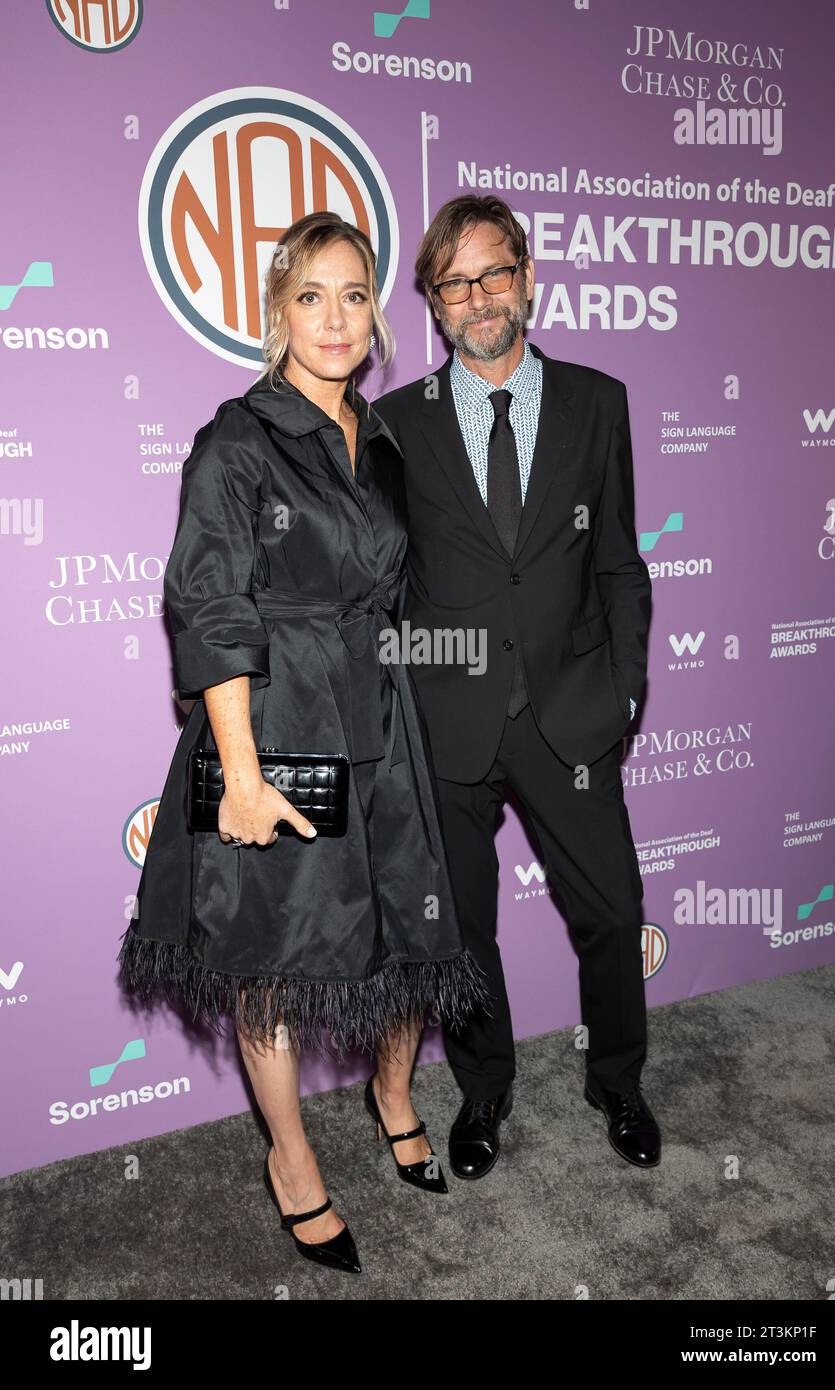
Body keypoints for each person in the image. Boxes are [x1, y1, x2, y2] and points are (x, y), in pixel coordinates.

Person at [117, 211, 492, 1274]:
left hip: (380, 717)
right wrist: (236, 771)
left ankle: (390, 1091)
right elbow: (208, 604)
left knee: (409, 930)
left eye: (354, 295)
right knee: (272, 961)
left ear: (376, 314)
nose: (334, 318)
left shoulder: (379, 440)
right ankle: (288, 1158)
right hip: (275, 729)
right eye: (310, 296)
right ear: (274, 312)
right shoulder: (237, 439)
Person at [374, 194, 661, 1182]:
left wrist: (624, 687)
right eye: (453, 283)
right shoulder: (392, 423)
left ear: (526, 278)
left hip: (570, 708)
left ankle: (616, 1079)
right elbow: (385, 586)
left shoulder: (596, 400)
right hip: (447, 718)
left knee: (612, 910)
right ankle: (482, 1086)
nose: (477, 296)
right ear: (434, 304)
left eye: (492, 273)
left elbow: (619, 560)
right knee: (460, 928)